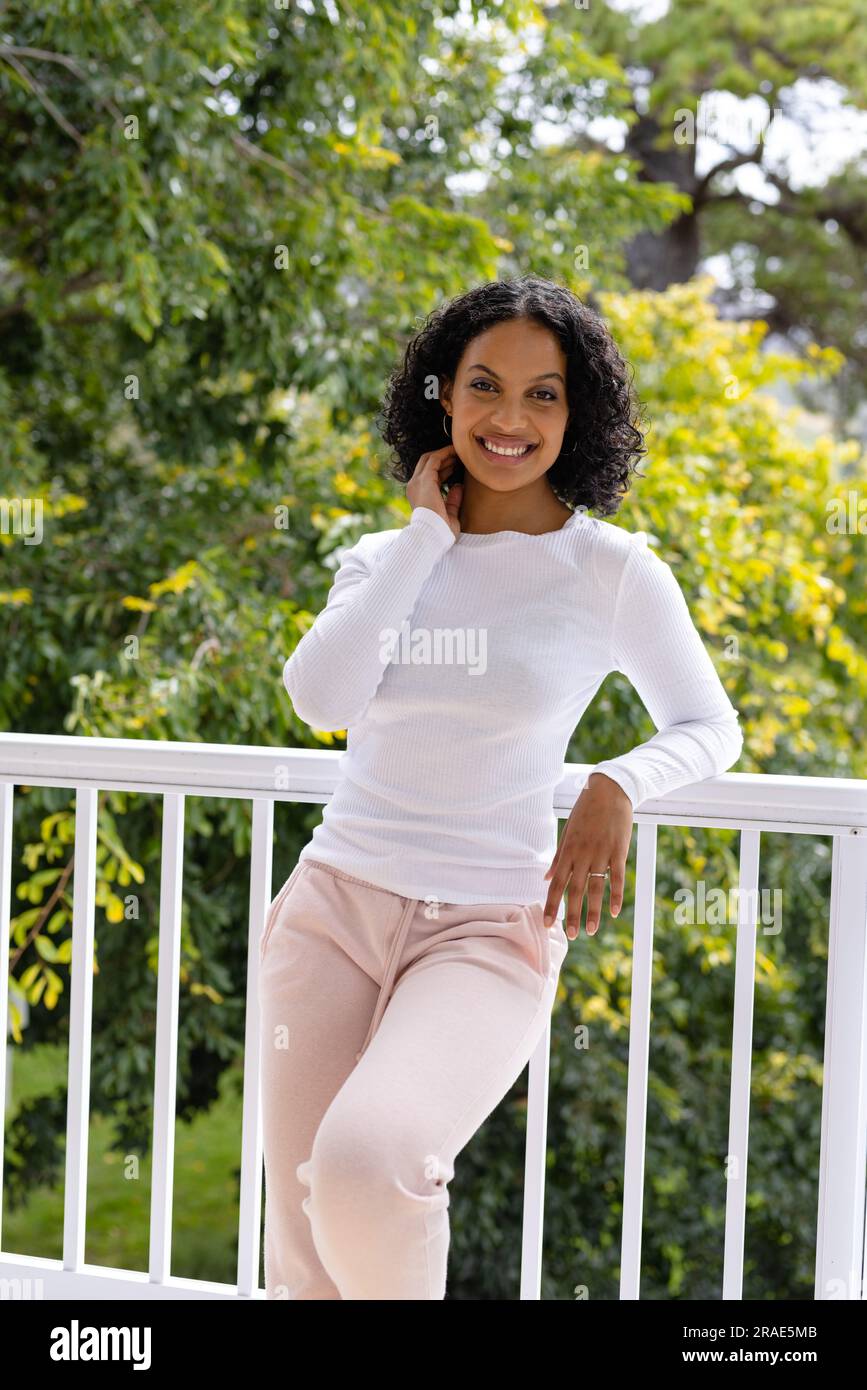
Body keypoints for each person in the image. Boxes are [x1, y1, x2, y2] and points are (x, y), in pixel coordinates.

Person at [258, 274, 744, 1300]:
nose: (509, 418)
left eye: (543, 394)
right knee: (304, 1251)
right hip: (333, 908)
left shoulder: (610, 571)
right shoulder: (380, 558)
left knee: (369, 1164)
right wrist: (425, 536)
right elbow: (319, 698)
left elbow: (711, 725)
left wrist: (617, 781)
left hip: (488, 926)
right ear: (443, 397)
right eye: (484, 385)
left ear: (578, 413)